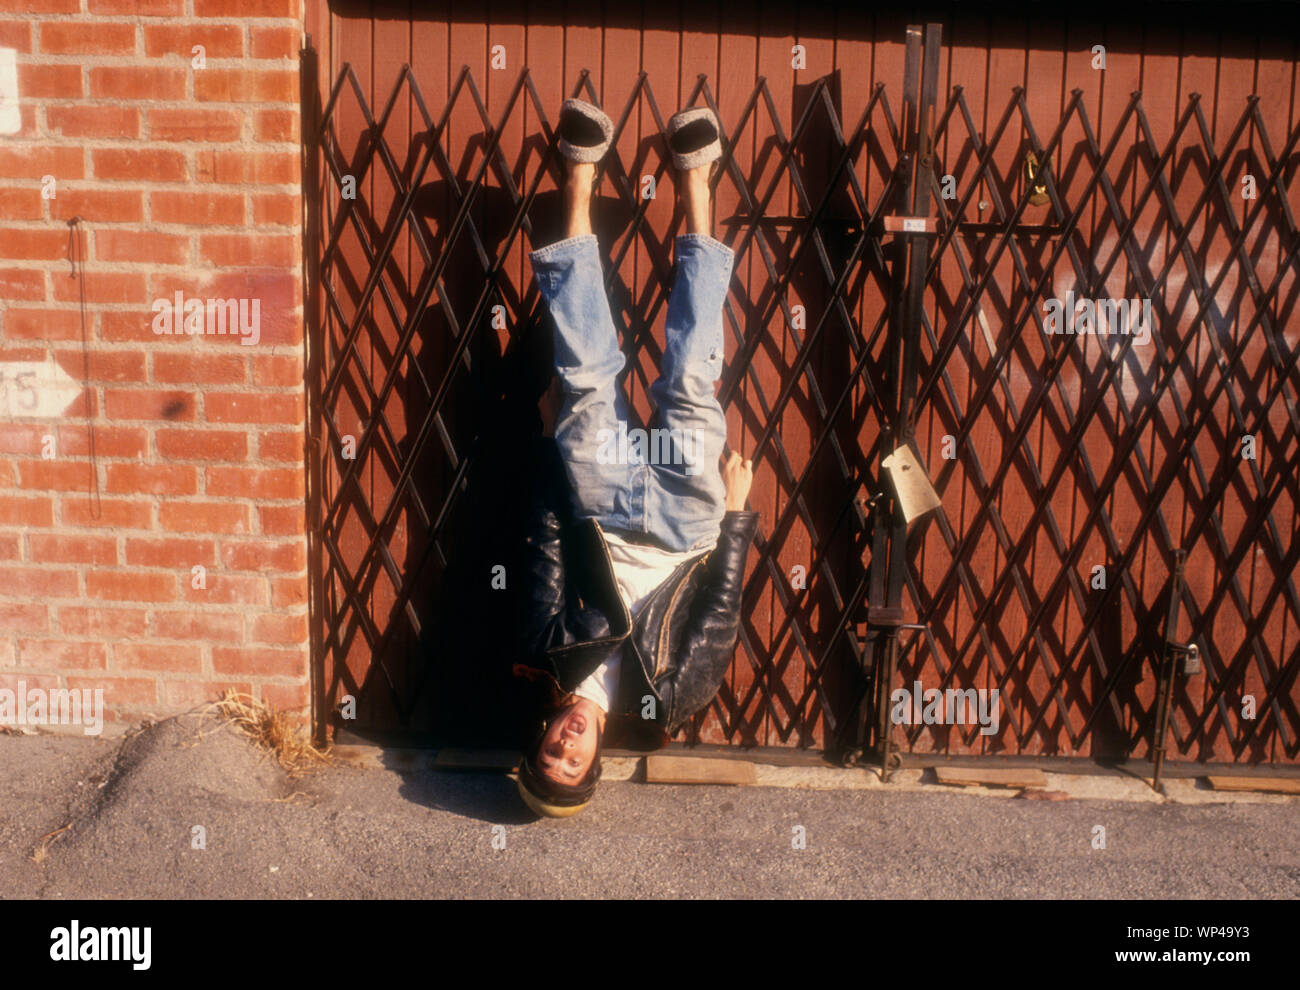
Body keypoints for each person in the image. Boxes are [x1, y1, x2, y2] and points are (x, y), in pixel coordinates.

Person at [513, 97, 759, 818]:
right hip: (687, 519)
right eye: (574, 760)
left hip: (603, 500)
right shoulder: (662, 704)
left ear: (541, 737)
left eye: (550, 749)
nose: (567, 742)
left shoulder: (546, 649)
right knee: (689, 377)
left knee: (583, 372)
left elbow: (547, 538)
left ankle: (580, 180)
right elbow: (718, 612)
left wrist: (547, 444)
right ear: (594, 763)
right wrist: (736, 516)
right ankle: (697, 187)